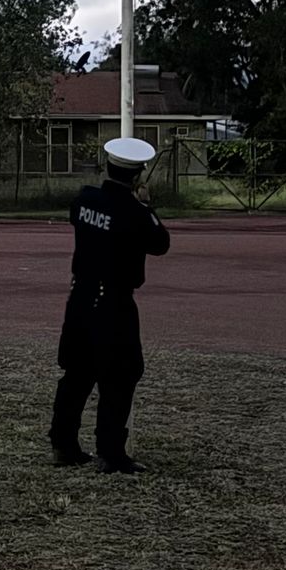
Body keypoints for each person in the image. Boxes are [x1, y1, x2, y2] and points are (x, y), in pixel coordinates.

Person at [49, 136, 171, 473]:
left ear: (108, 166)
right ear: (138, 175)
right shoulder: (134, 212)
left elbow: (81, 218)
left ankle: (63, 444)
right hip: (113, 302)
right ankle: (111, 451)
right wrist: (146, 205)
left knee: (76, 373)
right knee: (120, 375)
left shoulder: (85, 199)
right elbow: (161, 243)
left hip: (80, 297)